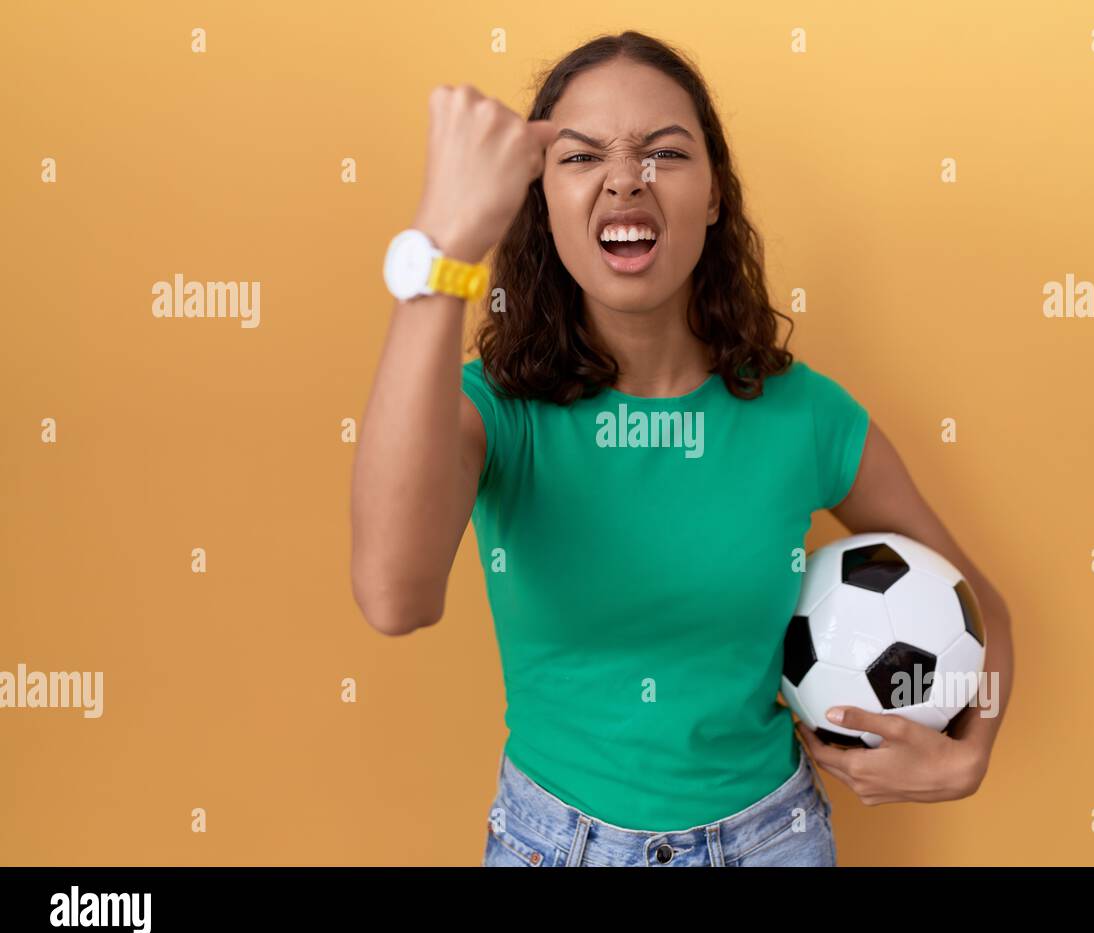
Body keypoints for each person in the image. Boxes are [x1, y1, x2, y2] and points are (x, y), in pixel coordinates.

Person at [350, 30, 1014, 867]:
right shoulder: (494, 414)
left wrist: (971, 750)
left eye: (665, 151)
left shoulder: (805, 413)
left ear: (713, 196)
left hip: (775, 843)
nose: (627, 177)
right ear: (539, 201)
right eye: (581, 157)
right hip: (552, 846)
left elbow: (986, 611)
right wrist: (443, 248)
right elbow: (392, 598)